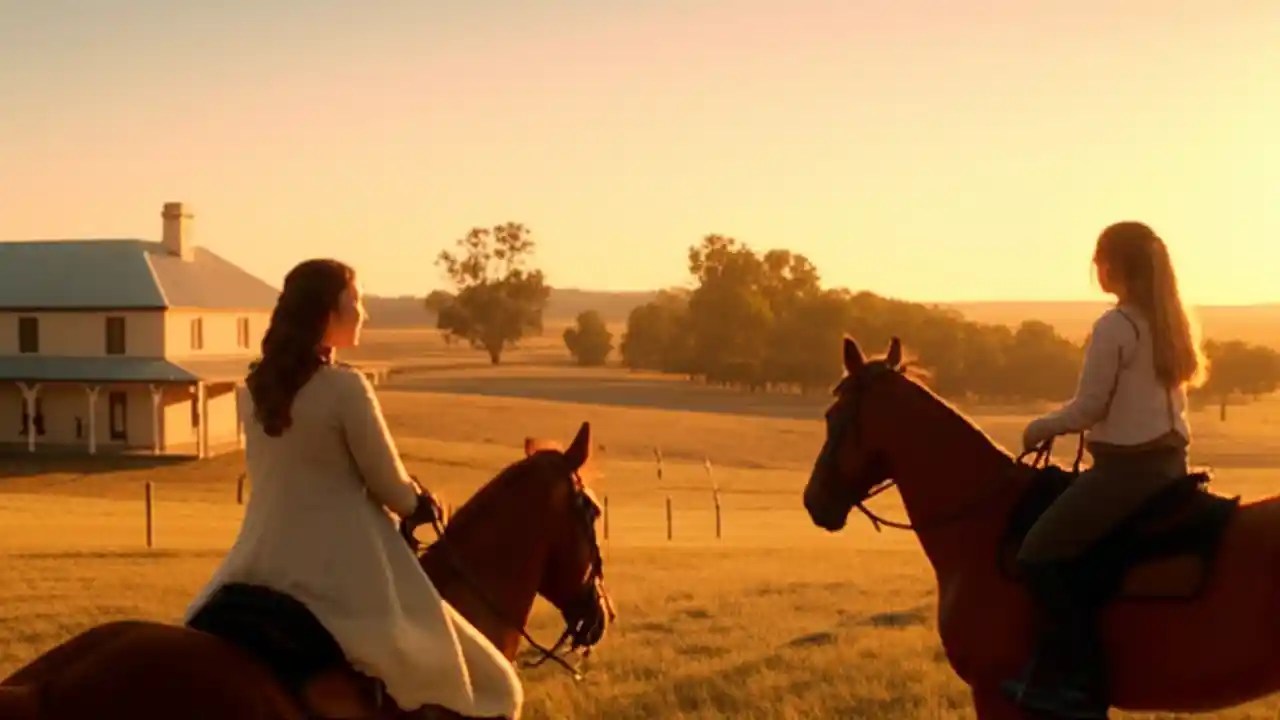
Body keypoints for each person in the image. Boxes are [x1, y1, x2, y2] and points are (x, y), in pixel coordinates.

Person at [183, 259, 523, 719]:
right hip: (345, 568)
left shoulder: (253, 389)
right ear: (327, 311)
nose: (364, 312)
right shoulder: (346, 388)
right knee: (489, 684)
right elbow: (391, 489)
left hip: (259, 558)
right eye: (355, 301)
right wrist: (422, 503)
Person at [1001, 222, 1207, 718]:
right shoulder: (1167, 321)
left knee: (1038, 553)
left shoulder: (1116, 325)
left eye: (1098, 259)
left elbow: (1090, 407)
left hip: (1127, 472)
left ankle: (1075, 683)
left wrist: (1039, 428)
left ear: (1112, 265)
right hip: (1170, 465)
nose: (1096, 268)